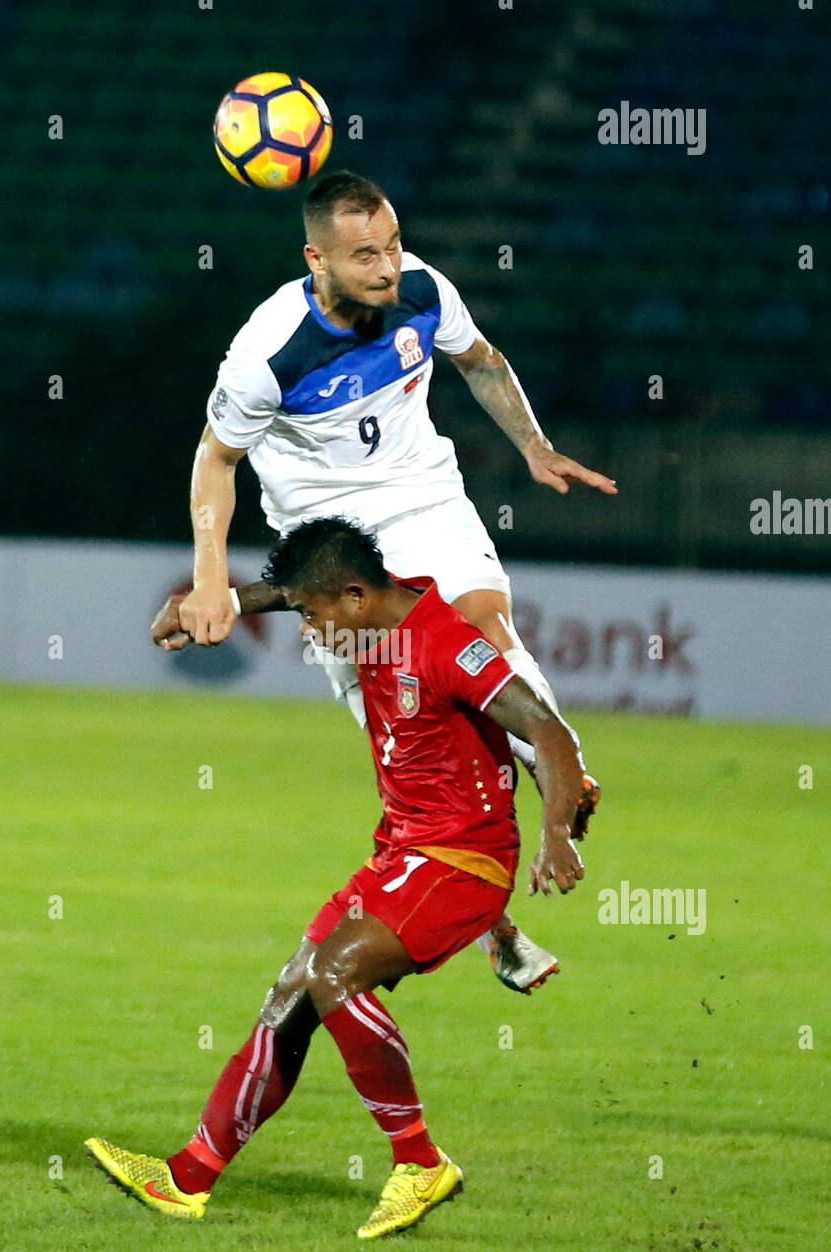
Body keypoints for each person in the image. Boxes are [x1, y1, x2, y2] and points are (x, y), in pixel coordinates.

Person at [152, 169, 612, 989]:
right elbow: (215, 459)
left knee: (481, 637)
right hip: (331, 543)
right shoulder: (267, 351)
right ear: (315, 259)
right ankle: (491, 923)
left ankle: (549, 758)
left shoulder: (424, 290)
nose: (387, 265)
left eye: (393, 244)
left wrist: (534, 447)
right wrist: (210, 580)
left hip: (424, 498)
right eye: (365, 253)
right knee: (414, 748)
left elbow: (482, 362)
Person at [88, 518, 587, 1239]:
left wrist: (553, 837)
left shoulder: (446, 643)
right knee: (290, 993)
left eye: (316, 618)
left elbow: (547, 730)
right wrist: (210, 598)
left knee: (332, 974)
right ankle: (186, 1177)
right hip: (400, 854)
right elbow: (302, 589)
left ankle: (418, 1163)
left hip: (461, 862)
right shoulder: (365, 614)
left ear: (354, 598)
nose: (313, 633)